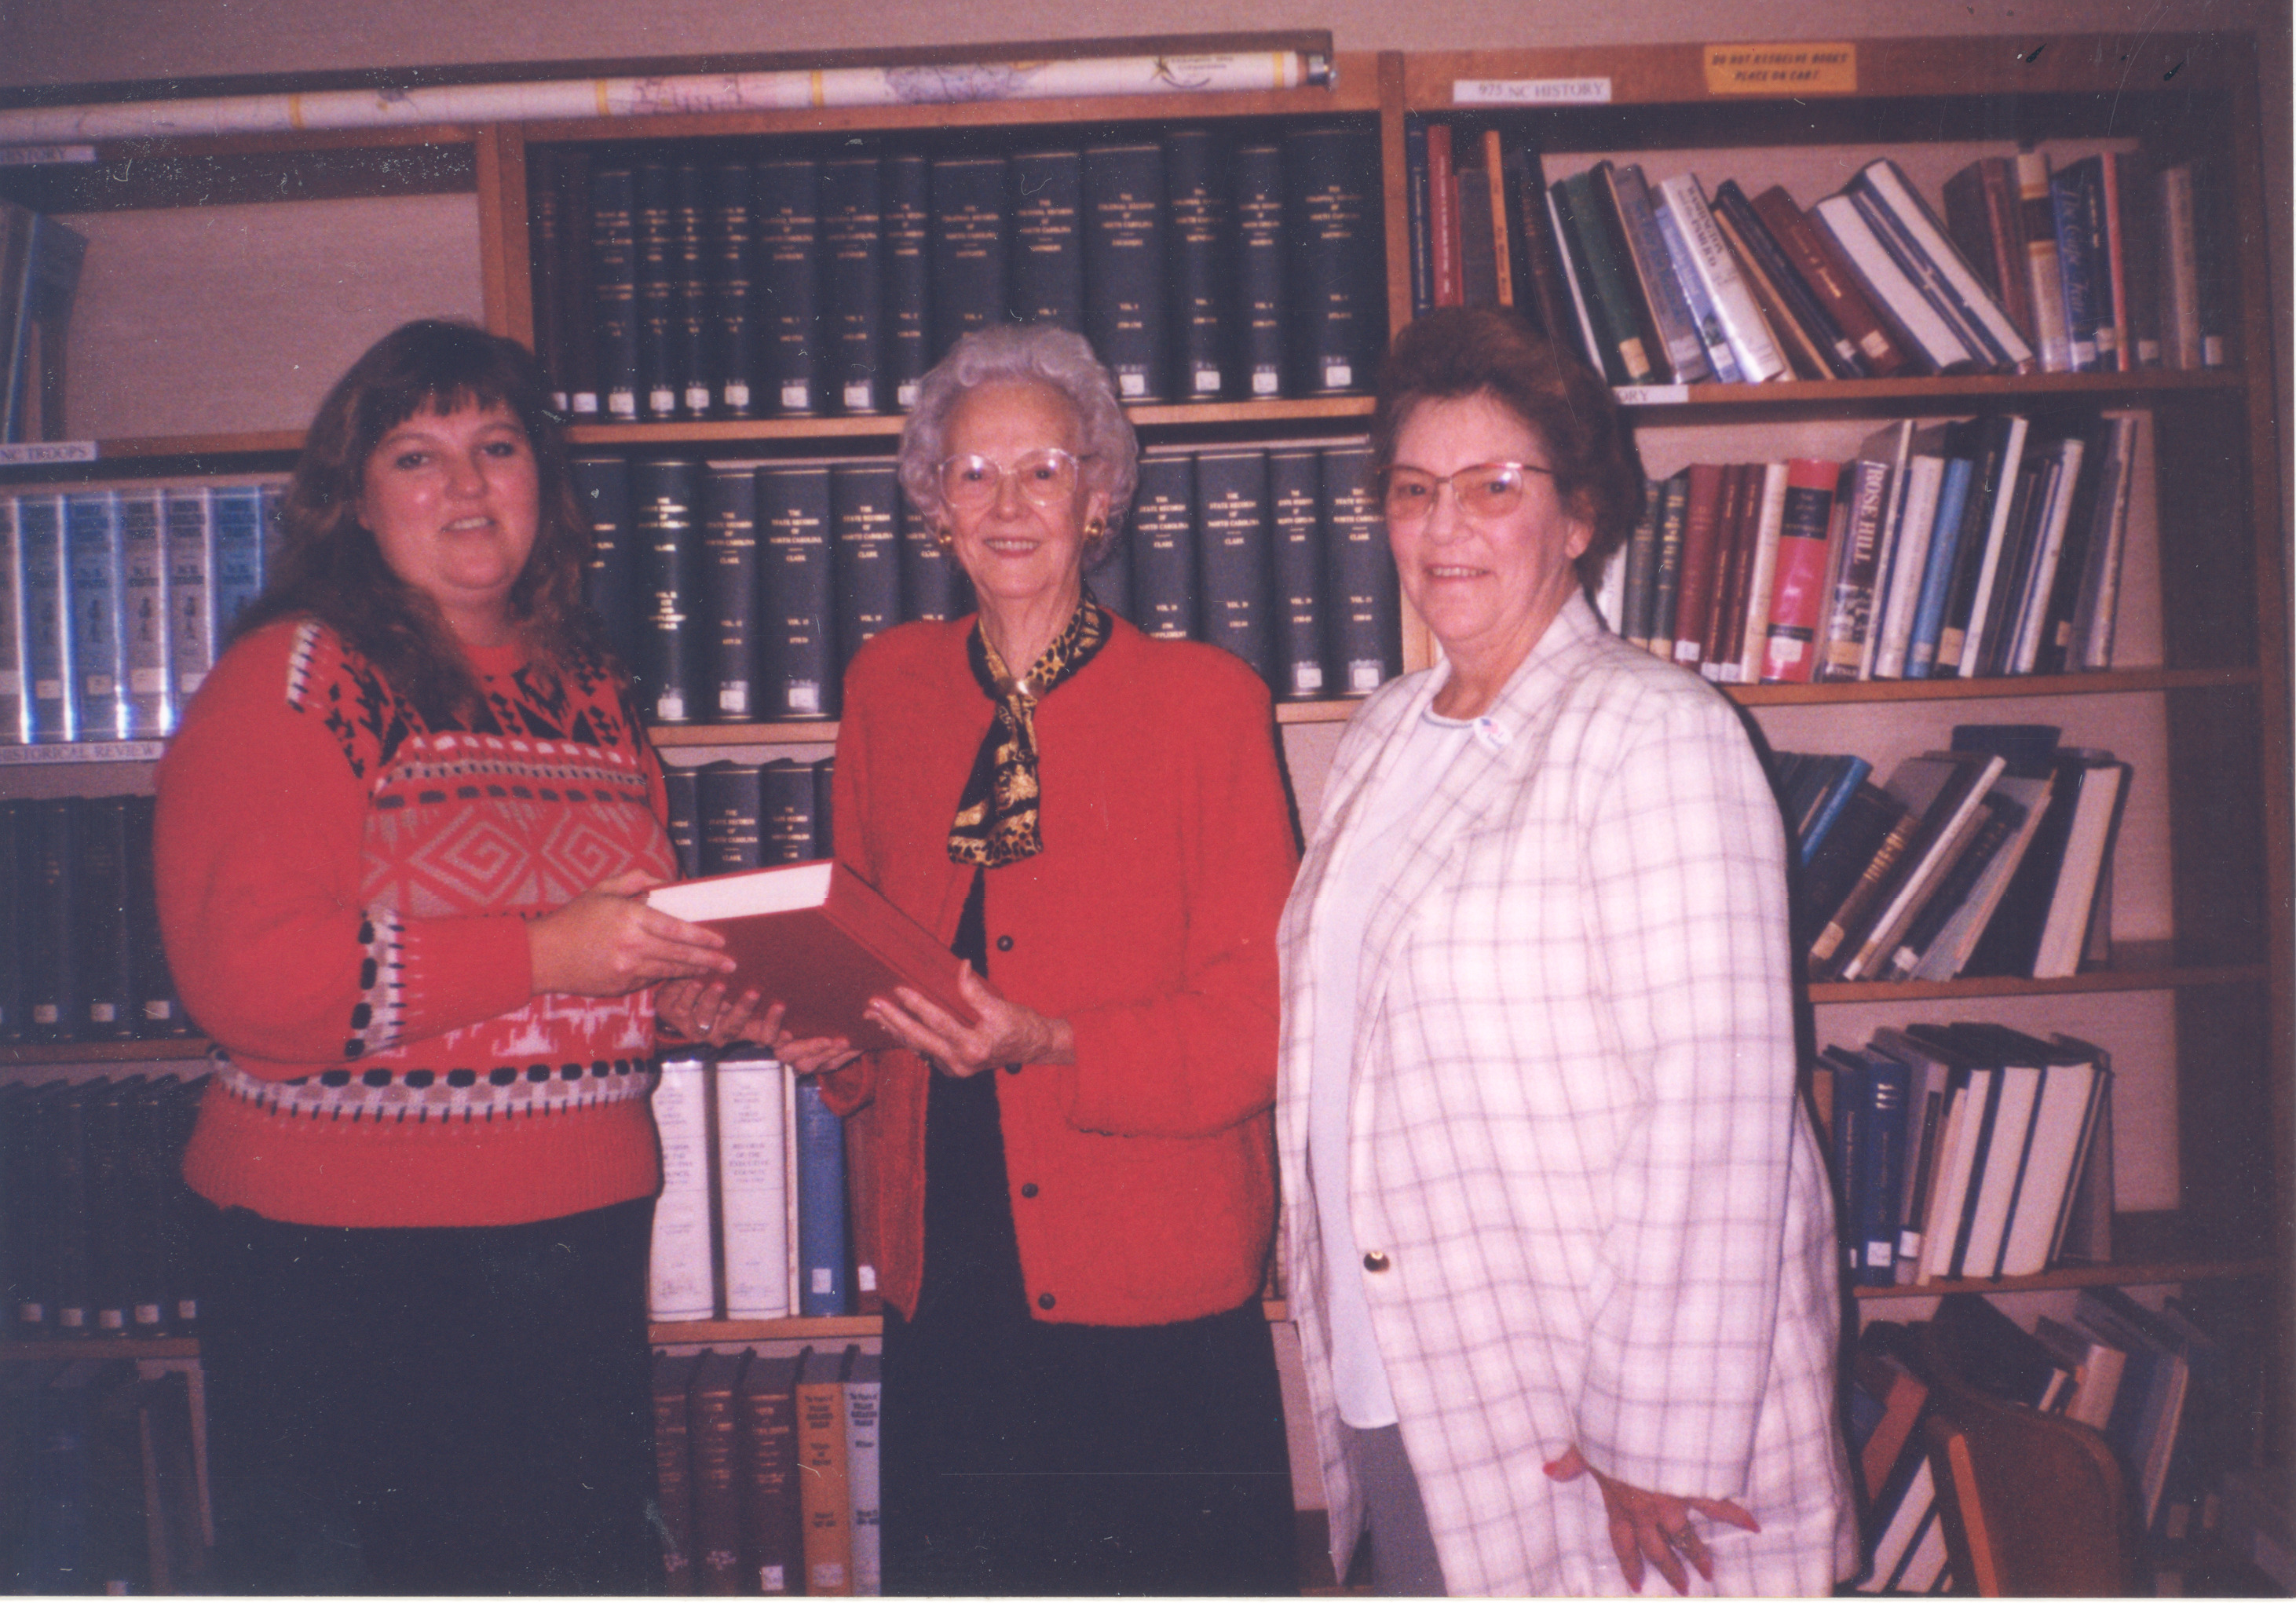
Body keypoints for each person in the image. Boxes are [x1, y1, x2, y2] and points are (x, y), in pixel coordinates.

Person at [154, 319, 756, 1593]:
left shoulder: (593, 687)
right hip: (341, 1262)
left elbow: (605, 956)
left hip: (573, 1236)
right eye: (417, 458)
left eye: (496, 446)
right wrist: (545, 955)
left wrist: (679, 981)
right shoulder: (295, 676)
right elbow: (247, 975)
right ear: (354, 507)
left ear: (544, 479)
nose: (469, 486)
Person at [1275, 307, 1855, 1597]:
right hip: (1411, 1372)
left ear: (1579, 514)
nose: (1444, 530)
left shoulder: (1655, 735)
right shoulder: (1384, 734)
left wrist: (1652, 1439)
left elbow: (1715, 1107)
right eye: (1414, 492)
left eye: (1494, 488)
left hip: (1607, 1430)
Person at [779, 323, 1300, 1595]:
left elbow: (1260, 1018)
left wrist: (1052, 1039)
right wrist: (826, 1036)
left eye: (1045, 469)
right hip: (949, 1271)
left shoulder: (1206, 702)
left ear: (1102, 494)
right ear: (931, 502)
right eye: (971, 473)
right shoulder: (885, 687)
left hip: (1151, 1262)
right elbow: (861, 946)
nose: (1007, 504)